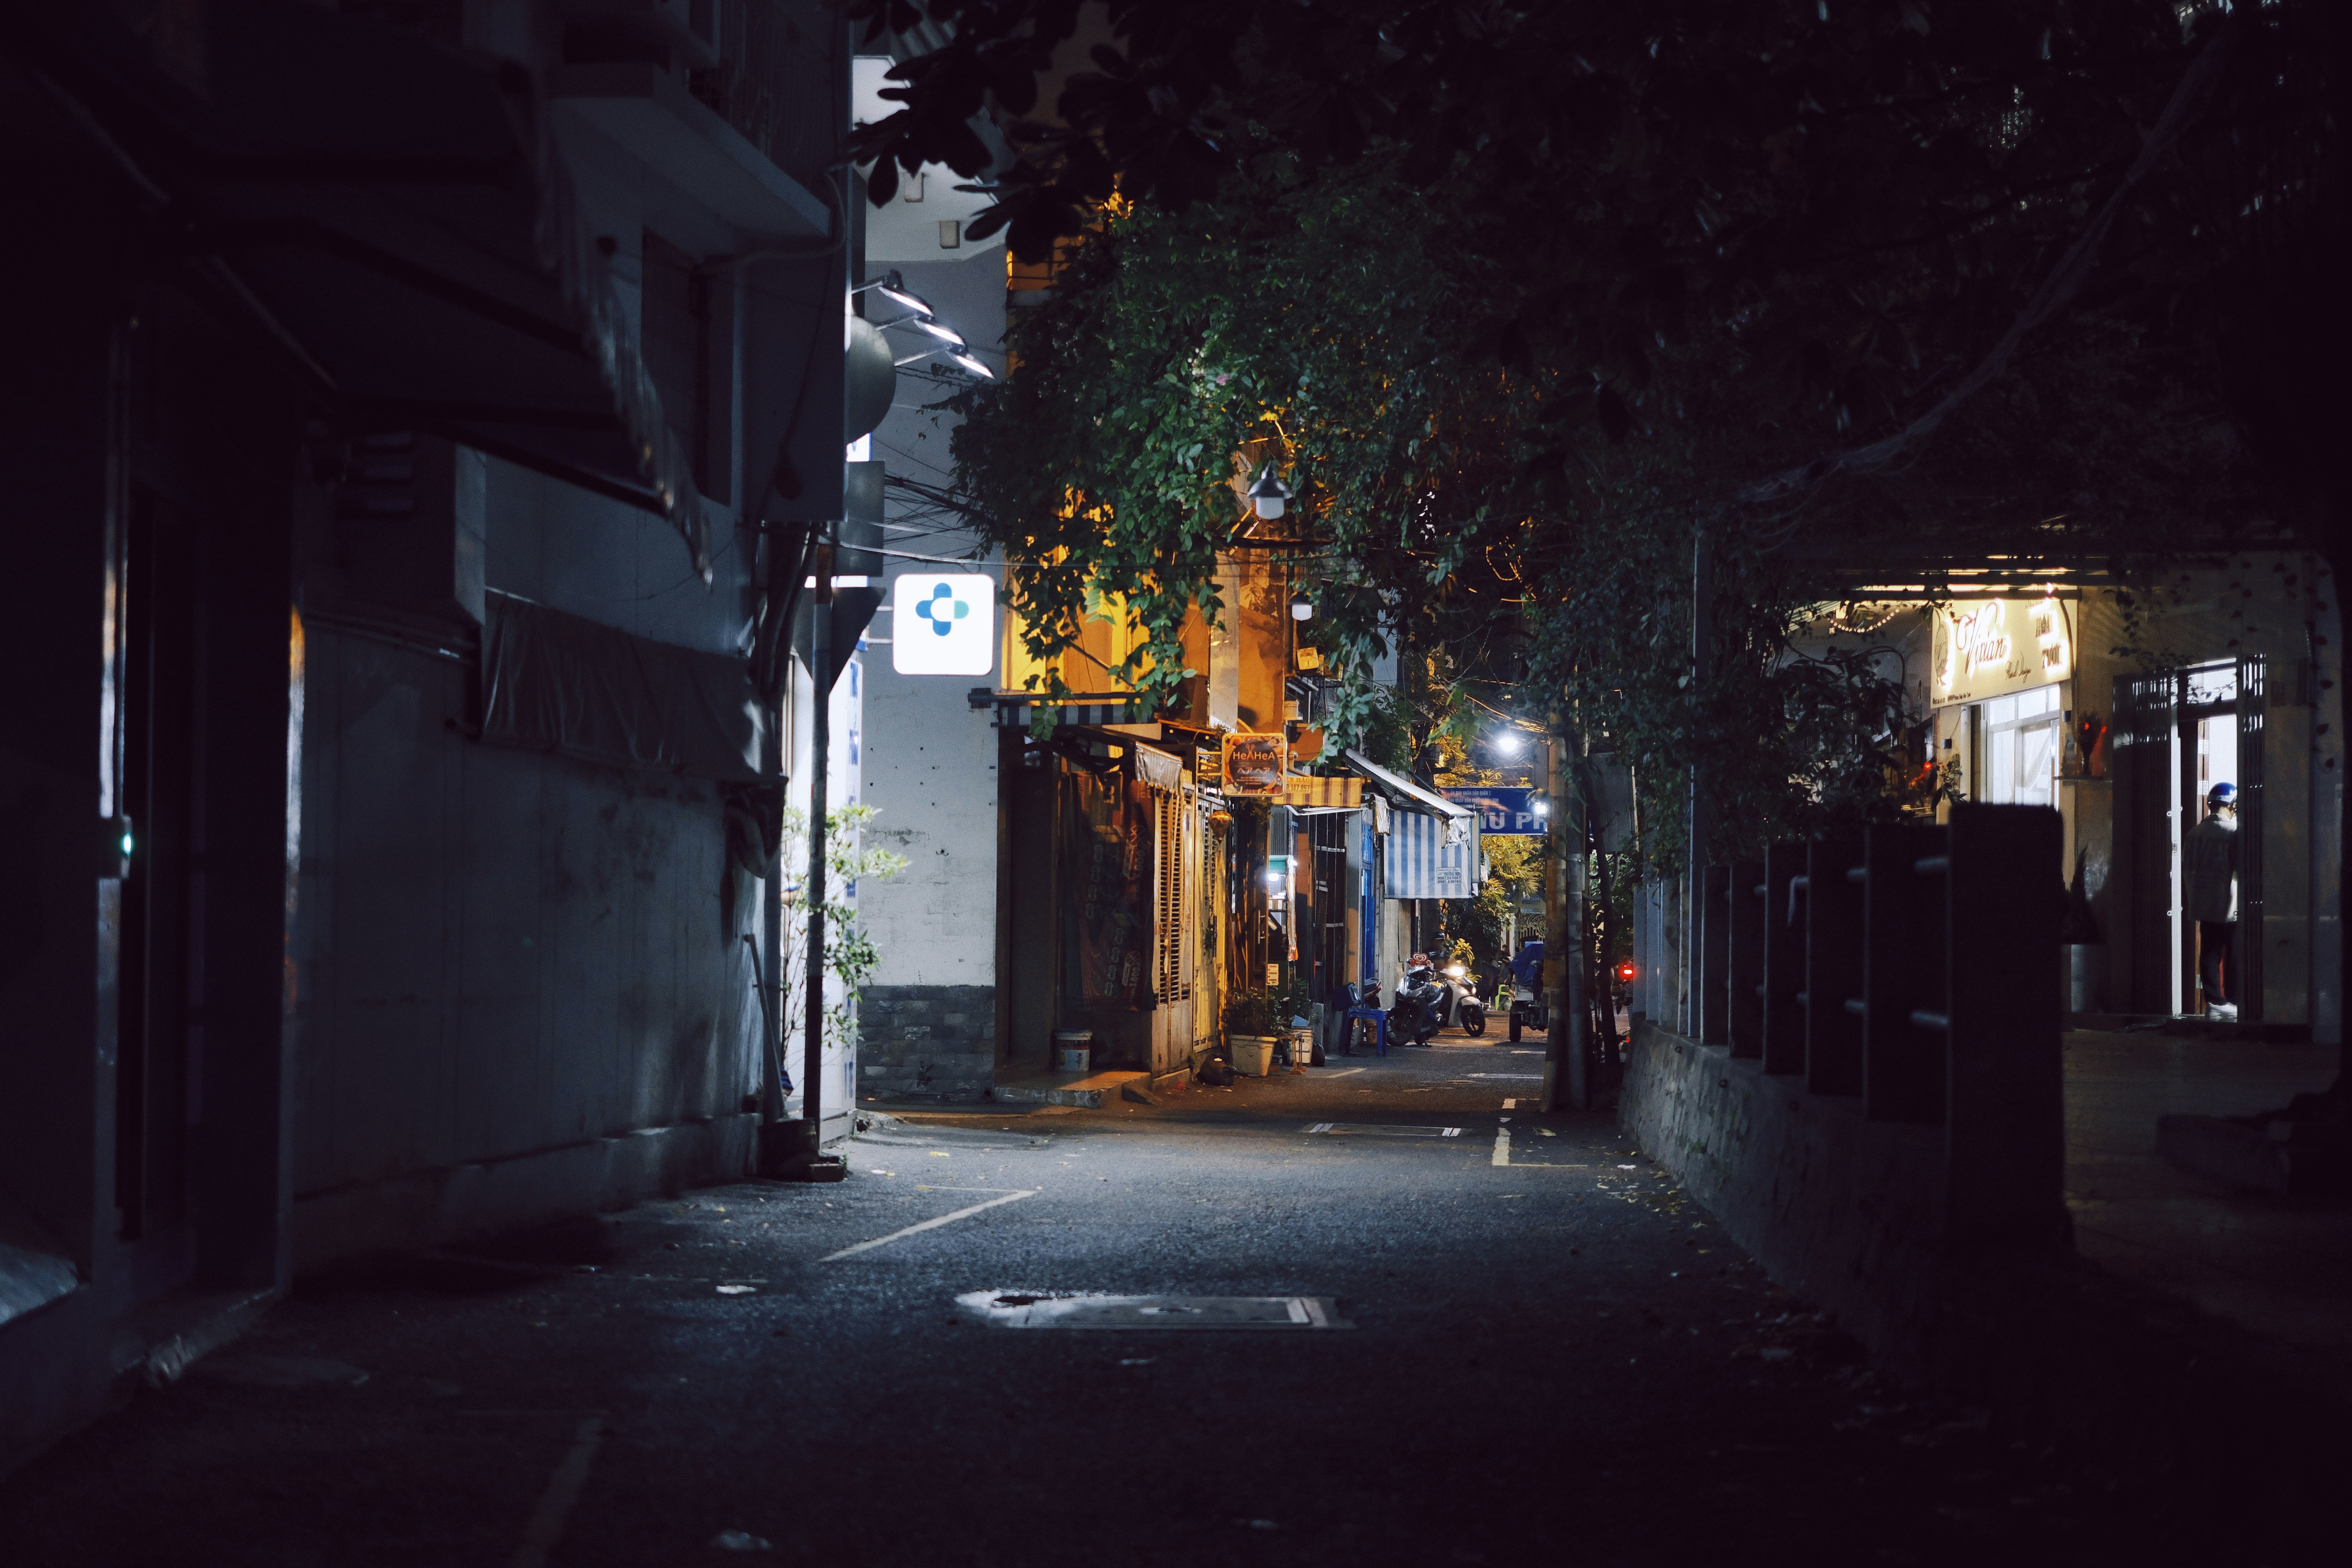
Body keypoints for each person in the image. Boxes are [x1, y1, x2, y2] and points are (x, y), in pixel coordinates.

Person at [2185, 781, 2241, 1020]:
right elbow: (2241, 869)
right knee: (2235, 954)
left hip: (2203, 903)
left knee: (2209, 951)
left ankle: (2215, 1001)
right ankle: (2234, 1001)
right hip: (2229, 904)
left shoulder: (2194, 833)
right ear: (2232, 806)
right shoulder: (2232, 834)